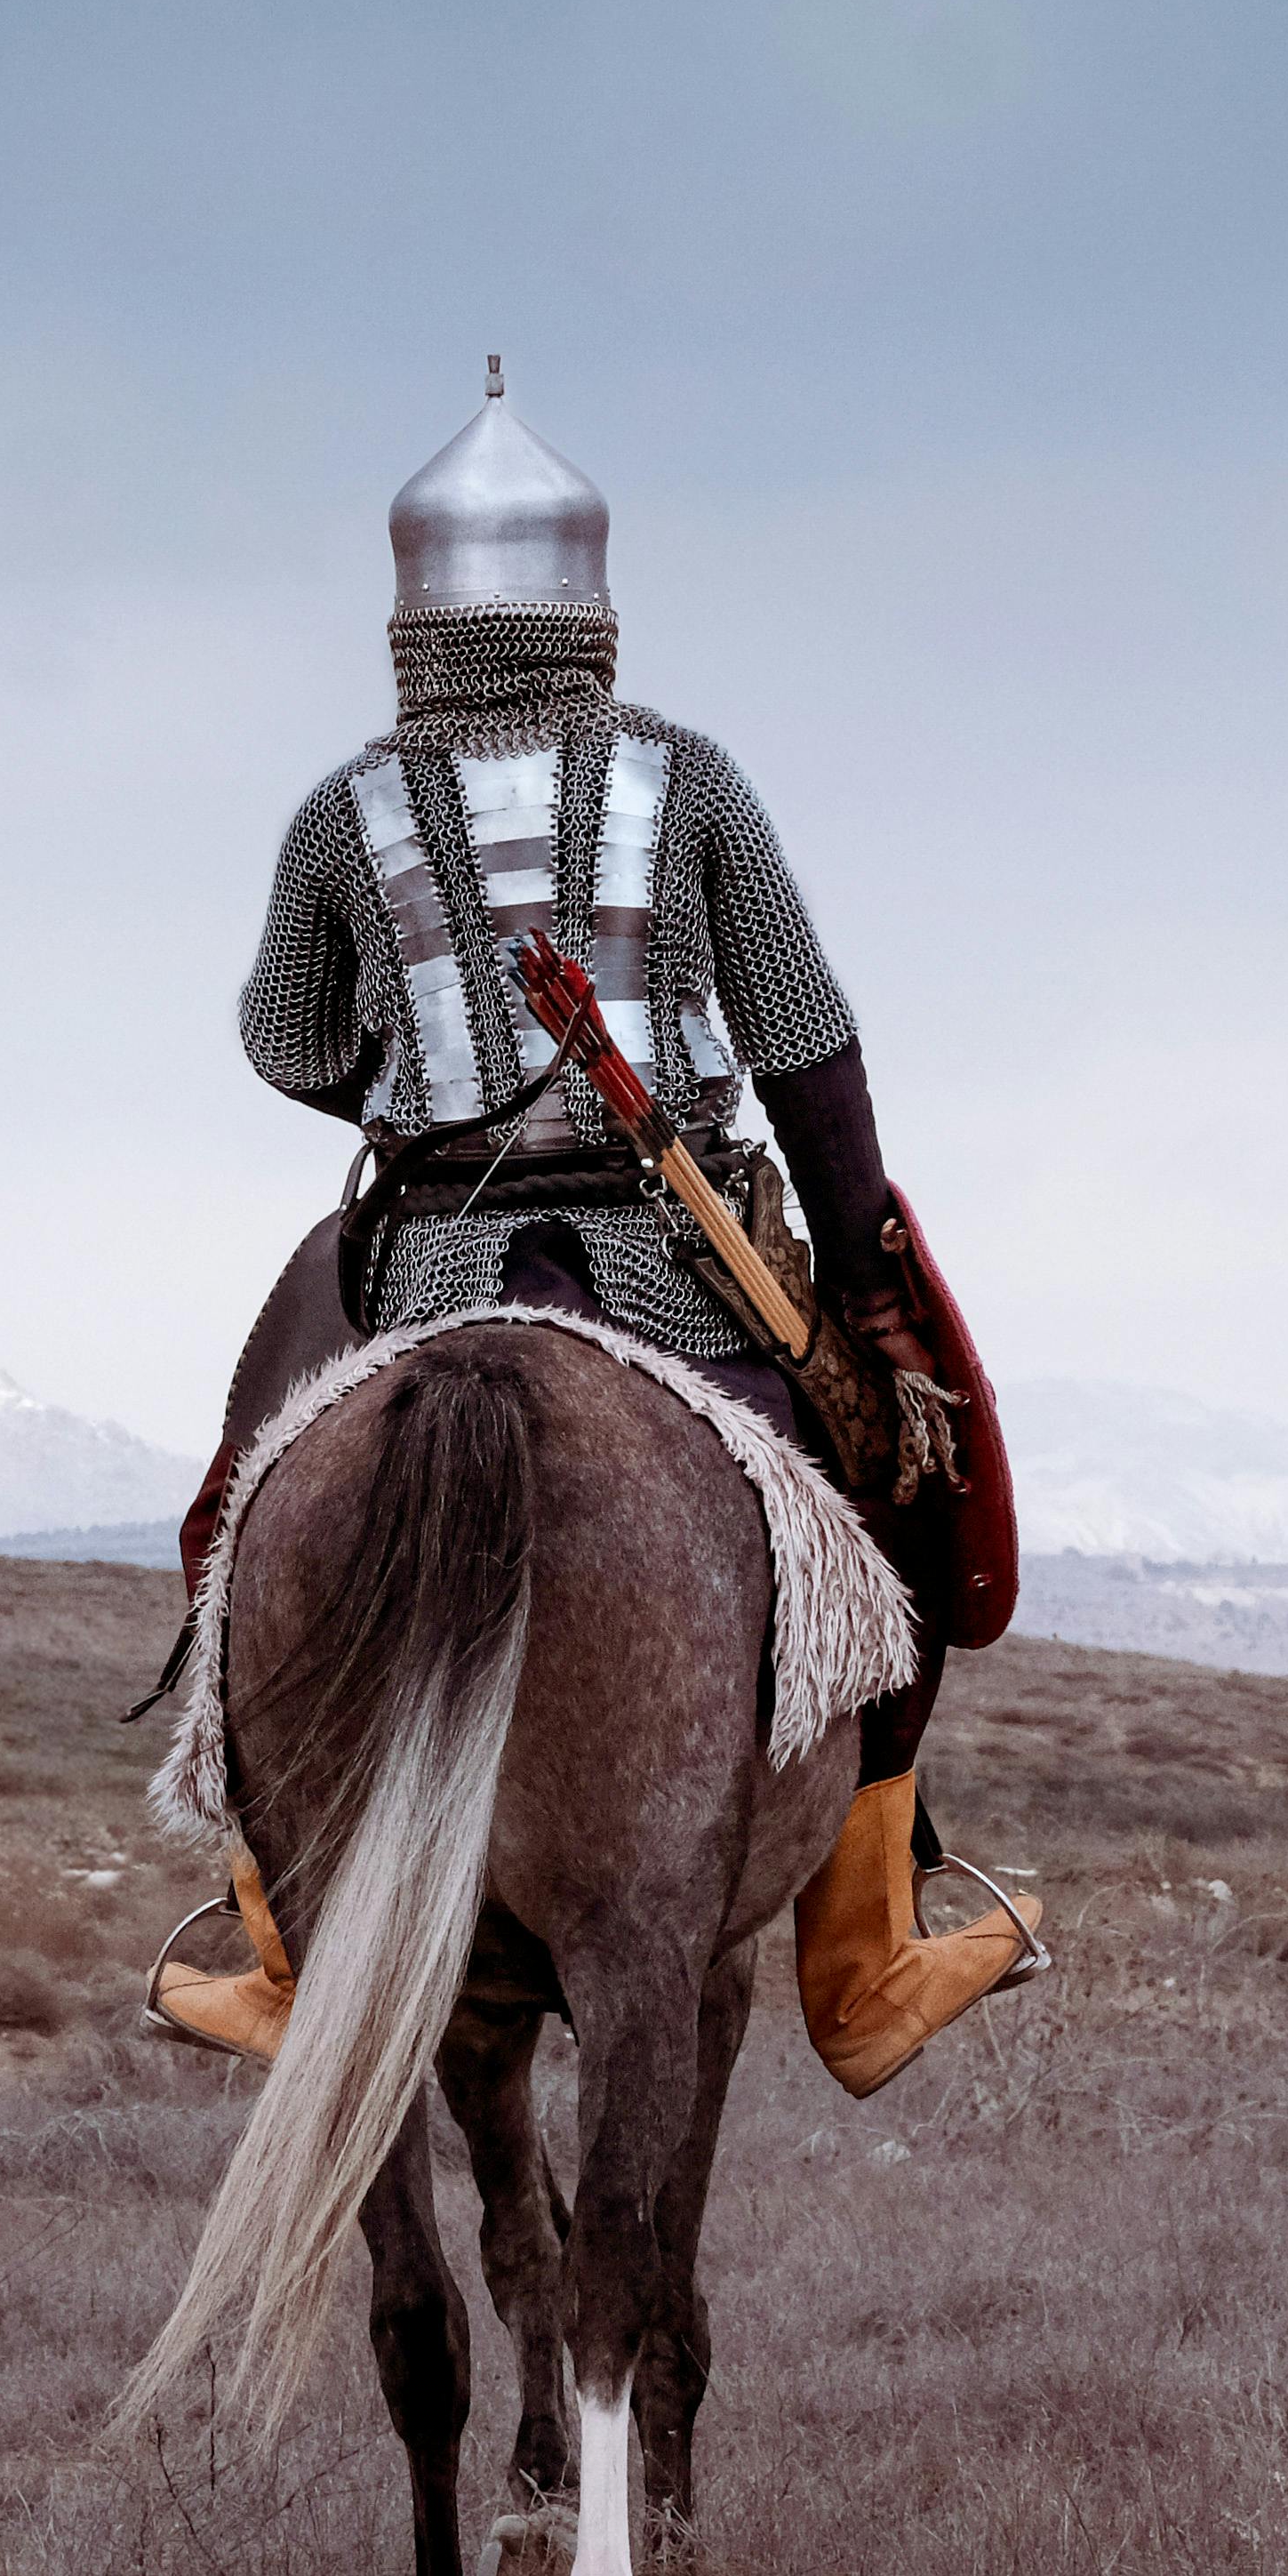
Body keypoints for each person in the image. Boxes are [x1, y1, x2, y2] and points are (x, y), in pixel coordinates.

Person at [149, 364, 1017, 2076]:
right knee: (889, 1514)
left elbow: (279, 1036)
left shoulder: (345, 810)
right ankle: (863, 1955)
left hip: (427, 1274)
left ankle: (272, 1946)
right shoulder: (688, 784)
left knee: (240, 1535)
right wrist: (866, 1282)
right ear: (590, 607)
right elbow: (801, 1038)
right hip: (673, 1258)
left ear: (412, 616)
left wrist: (406, 1086)